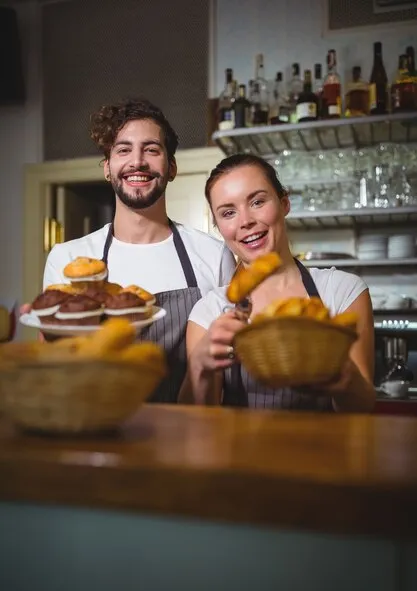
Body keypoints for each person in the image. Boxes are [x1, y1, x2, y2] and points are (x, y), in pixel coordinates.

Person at [41, 98, 236, 402]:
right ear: (107, 168)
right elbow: (58, 362)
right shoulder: (68, 260)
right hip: (97, 432)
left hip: (187, 432)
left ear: (171, 167)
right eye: (123, 150)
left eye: (151, 149)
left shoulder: (213, 255)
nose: (137, 162)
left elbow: (226, 367)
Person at [183, 153, 376, 413]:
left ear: (284, 203)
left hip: (325, 453)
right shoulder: (210, 311)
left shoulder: (342, 290)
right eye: (228, 212)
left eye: (257, 201)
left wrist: (341, 373)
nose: (246, 221)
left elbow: (363, 409)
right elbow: (196, 422)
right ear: (218, 227)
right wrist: (199, 366)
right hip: (237, 454)